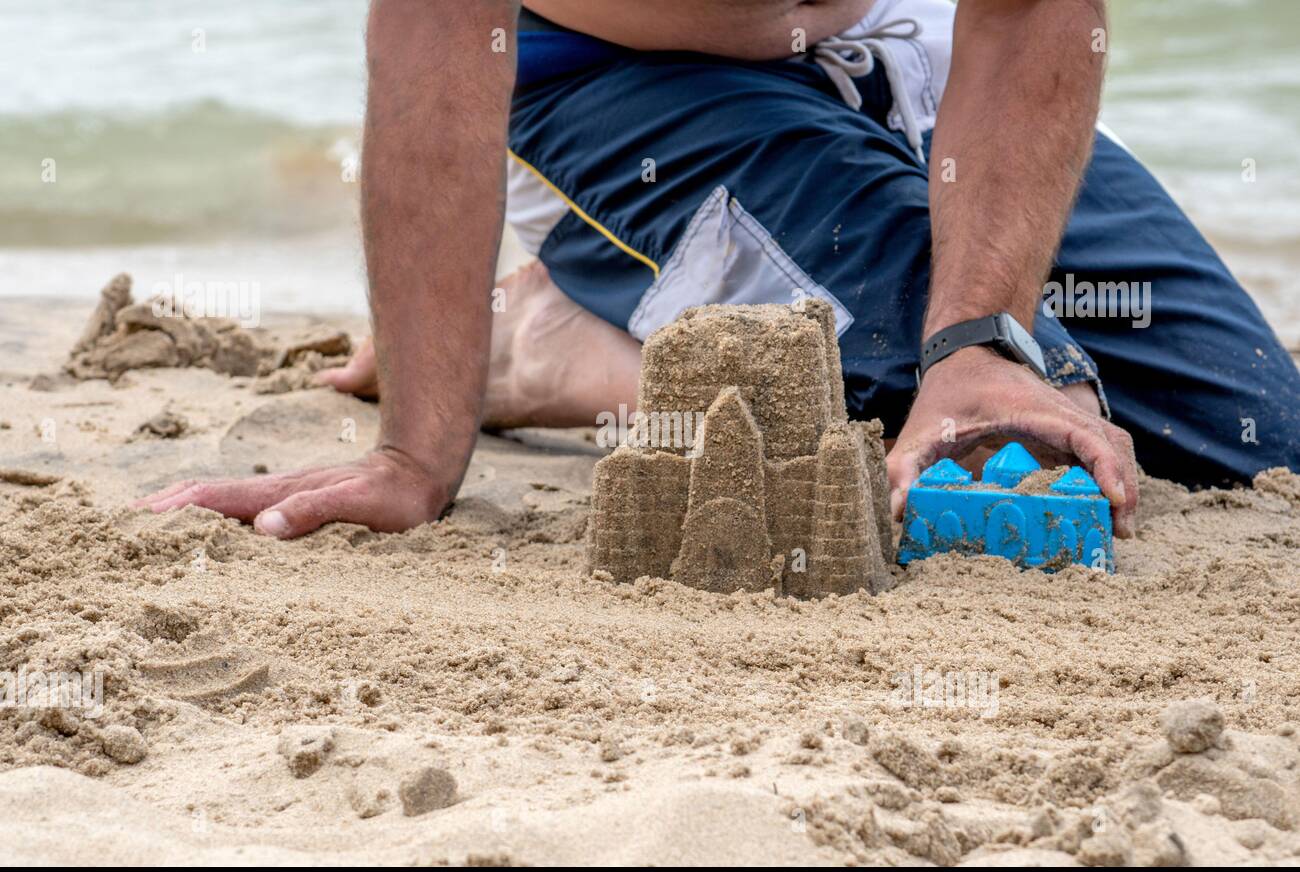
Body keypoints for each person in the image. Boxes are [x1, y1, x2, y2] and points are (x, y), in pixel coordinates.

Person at [137, 0, 1300, 542]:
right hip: (618, 79)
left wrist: (978, 337)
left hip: (900, 47)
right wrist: (416, 454)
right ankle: (520, 342)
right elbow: (436, 21)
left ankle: (587, 338)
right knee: (961, 435)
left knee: (1247, 436)